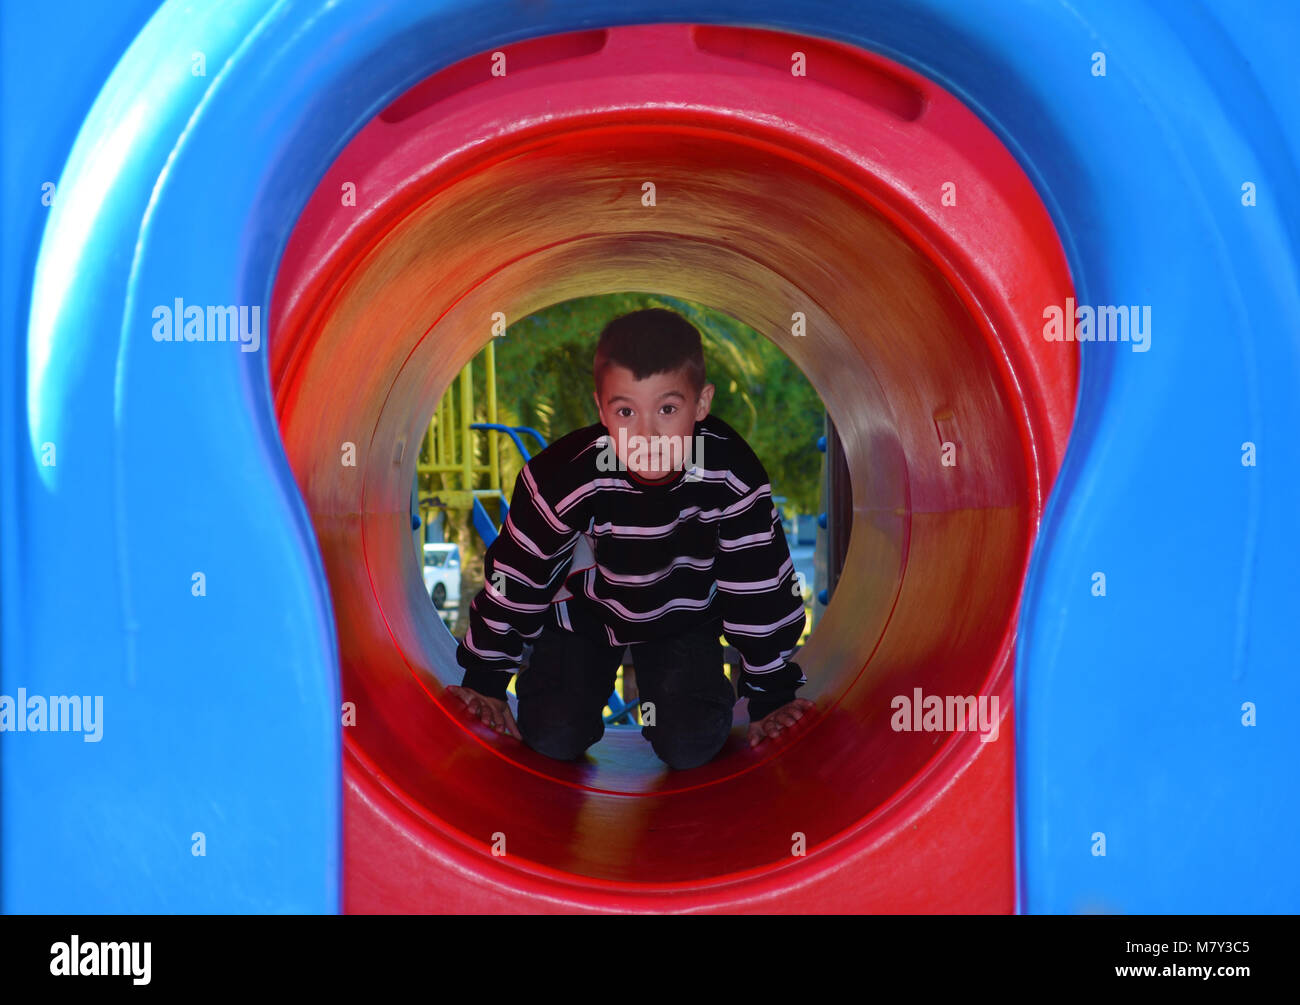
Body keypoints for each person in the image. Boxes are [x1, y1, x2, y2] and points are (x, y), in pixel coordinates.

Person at [447, 307, 814, 769]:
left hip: (682, 615)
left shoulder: (729, 474)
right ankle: (576, 708)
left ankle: (678, 710)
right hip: (583, 615)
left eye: (667, 409)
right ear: (601, 409)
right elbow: (517, 576)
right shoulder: (566, 476)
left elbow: (757, 584)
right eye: (626, 412)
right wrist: (485, 680)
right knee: (553, 736)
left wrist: (771, 694)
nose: (647, 435)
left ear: (701, 404)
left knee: (690, 745)